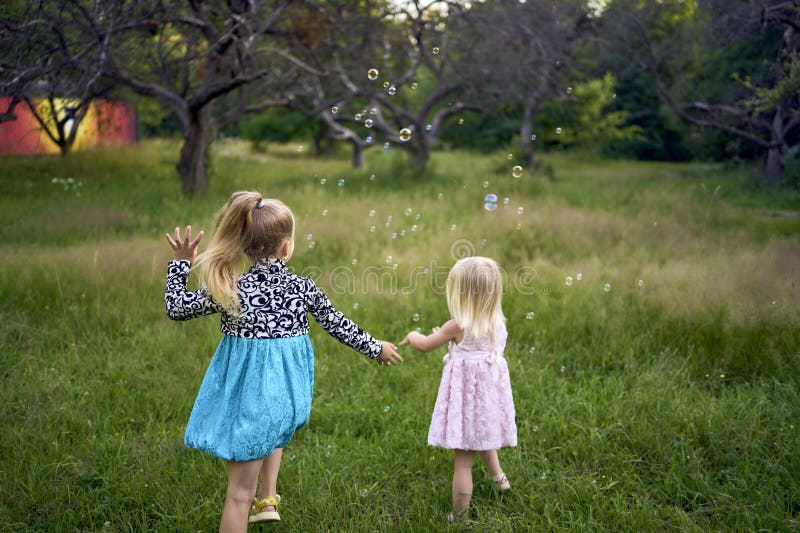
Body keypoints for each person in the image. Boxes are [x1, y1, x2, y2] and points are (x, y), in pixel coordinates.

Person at [164, 191, 402, 533]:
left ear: (242, 244)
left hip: (249, 401)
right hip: (288, 398)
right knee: (273, 429)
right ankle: (268, 497)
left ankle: (259, 497)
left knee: (236, 496)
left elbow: (176, 308)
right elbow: (339, 325)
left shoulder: (231, 288)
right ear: (286, 248)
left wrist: (182, 262)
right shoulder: (303, 288)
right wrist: (375, 347)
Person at [399, 256, 516, 521]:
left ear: (461, 295)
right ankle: (499, 478)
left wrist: (413, 336)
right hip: (487, 401)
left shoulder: (457, 326)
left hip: (466, 404)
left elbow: (427, 344)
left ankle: (460, 518)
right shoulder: (497, 322)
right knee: (483, 435)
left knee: (463, 462)